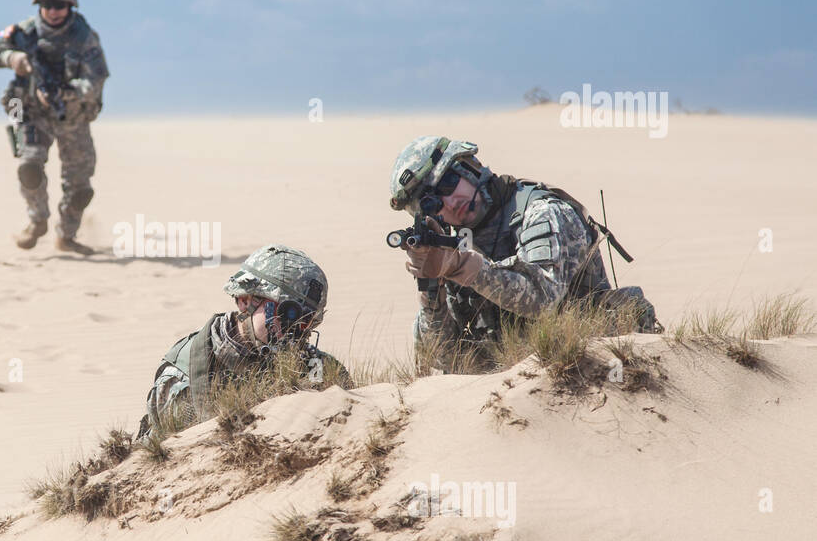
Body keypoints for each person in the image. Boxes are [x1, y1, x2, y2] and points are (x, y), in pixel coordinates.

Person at [387, 135, 660, 370]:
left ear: (469, 167)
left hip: (589, 371)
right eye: (433, 204)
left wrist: (462, 267)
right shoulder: (458, 246)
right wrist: (431, 283)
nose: (449, 203)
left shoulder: (542, 213)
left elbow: (542, 299)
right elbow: (443, 357)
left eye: (448, 184)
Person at [140, 244, 348, 437]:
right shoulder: (186, 377)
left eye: (306, 322)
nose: (295, 331)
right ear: (245, 301)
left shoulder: (322, 369)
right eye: (287, 314)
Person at [0, 0, 109, 254]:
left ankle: (66, 235)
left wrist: (67, 92)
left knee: (80, 189)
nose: (53, 11)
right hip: (33, 115)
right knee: (29, 169)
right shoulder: (24, 32)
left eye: (59, 5)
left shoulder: (85, 38)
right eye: (47, 5)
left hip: (72, 118)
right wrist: (13, 58)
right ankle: (37, 221)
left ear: (70, 6)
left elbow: (96, 79)